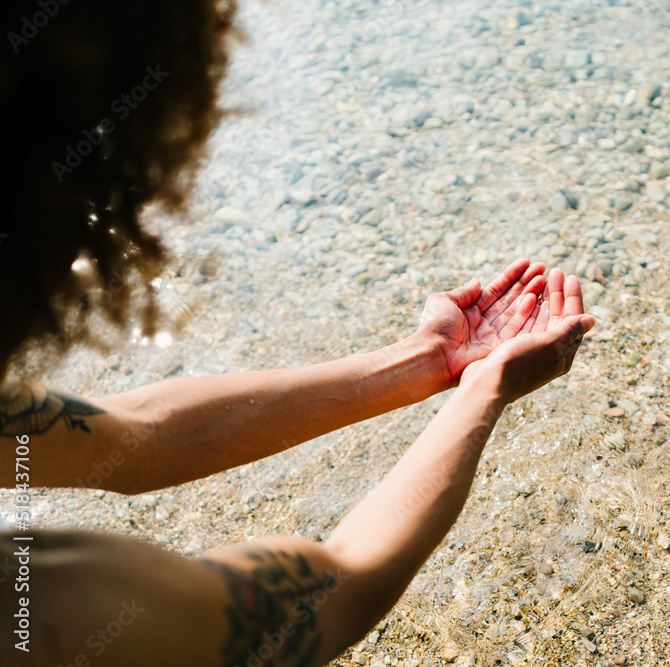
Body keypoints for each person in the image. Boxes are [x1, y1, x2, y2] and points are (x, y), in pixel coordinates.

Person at [0, 1, 595, 665]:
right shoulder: (41, 605)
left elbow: (133, 438)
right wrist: (487, 389)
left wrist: (424, 361)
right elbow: (335, 590)